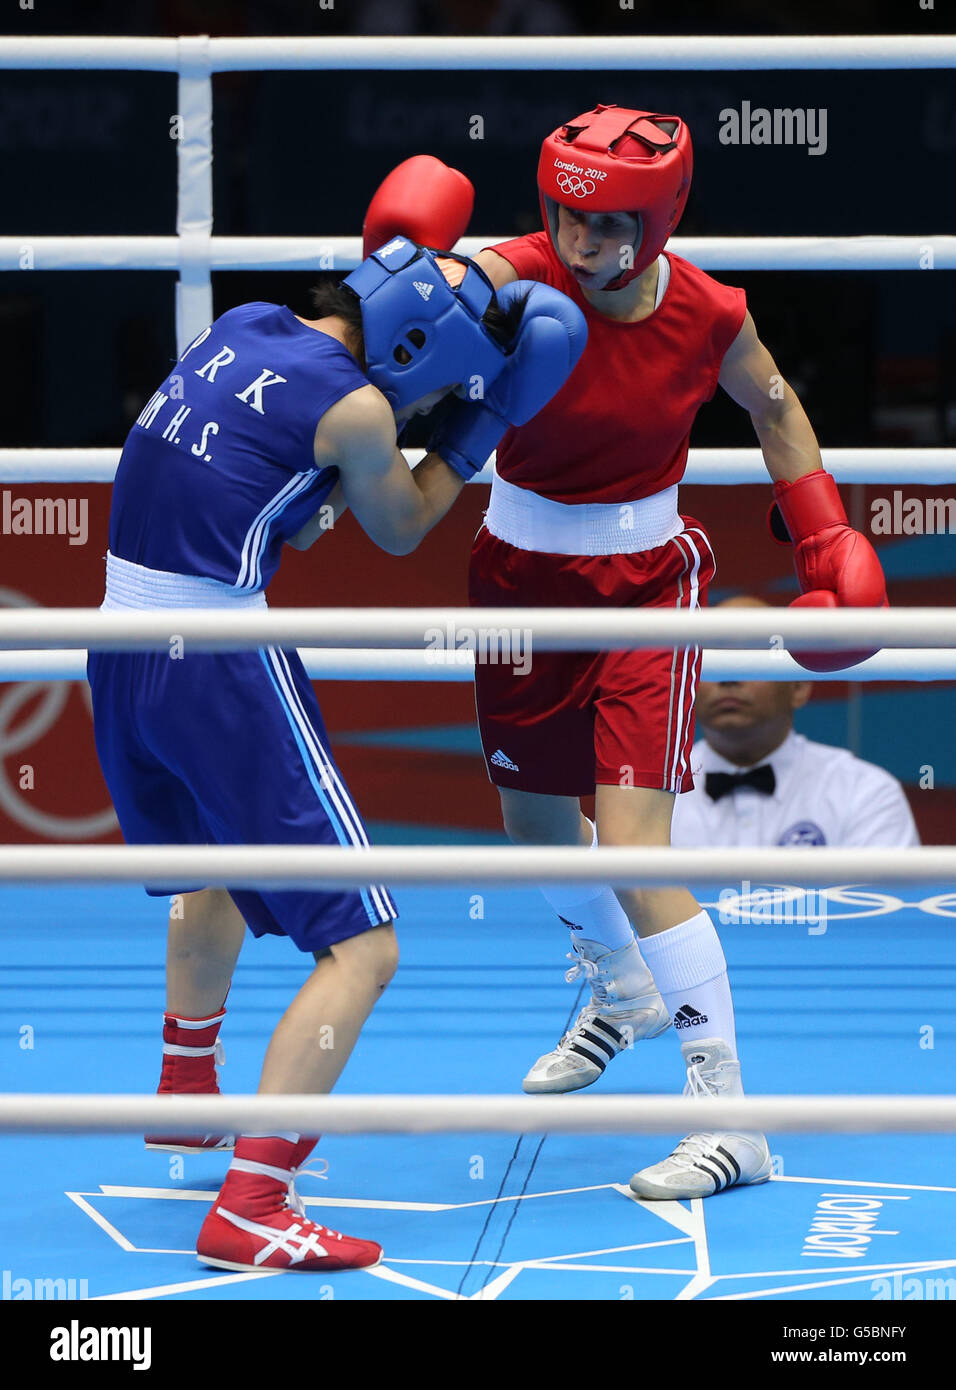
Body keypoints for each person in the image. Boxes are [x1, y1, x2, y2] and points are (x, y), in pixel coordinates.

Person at [363, 107, 888, 1201]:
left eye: (610, 229)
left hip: (650, 581)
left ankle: (725, 1116)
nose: (585, 248)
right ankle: (621, 990)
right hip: (514, 574)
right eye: (567, 219)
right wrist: (395, 277)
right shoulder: (501, 275)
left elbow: (775, 404)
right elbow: (386, 336)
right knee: (535, 824)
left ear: (660, 220)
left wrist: (826, 533)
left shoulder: (706, 308)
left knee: (636, 847)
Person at [87, 236, 586, 1272]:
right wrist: (480, 420)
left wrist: (417, 415)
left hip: (116, 641)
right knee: (364, 945)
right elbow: (399, 526)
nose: (421, 409)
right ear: (412, 346)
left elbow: (295, 517)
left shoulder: (237, 327)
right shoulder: (358, 411)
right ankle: (255, 1203)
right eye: (438, 384)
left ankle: (187, 1091)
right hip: (210, 657)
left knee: (211, 872)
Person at [672, 597, 919, 849]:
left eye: (751, 655)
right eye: (714, 657)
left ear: (798, 686)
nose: (729, 677)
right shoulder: (647, 795)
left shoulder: (866, 792)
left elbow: (877, 890)